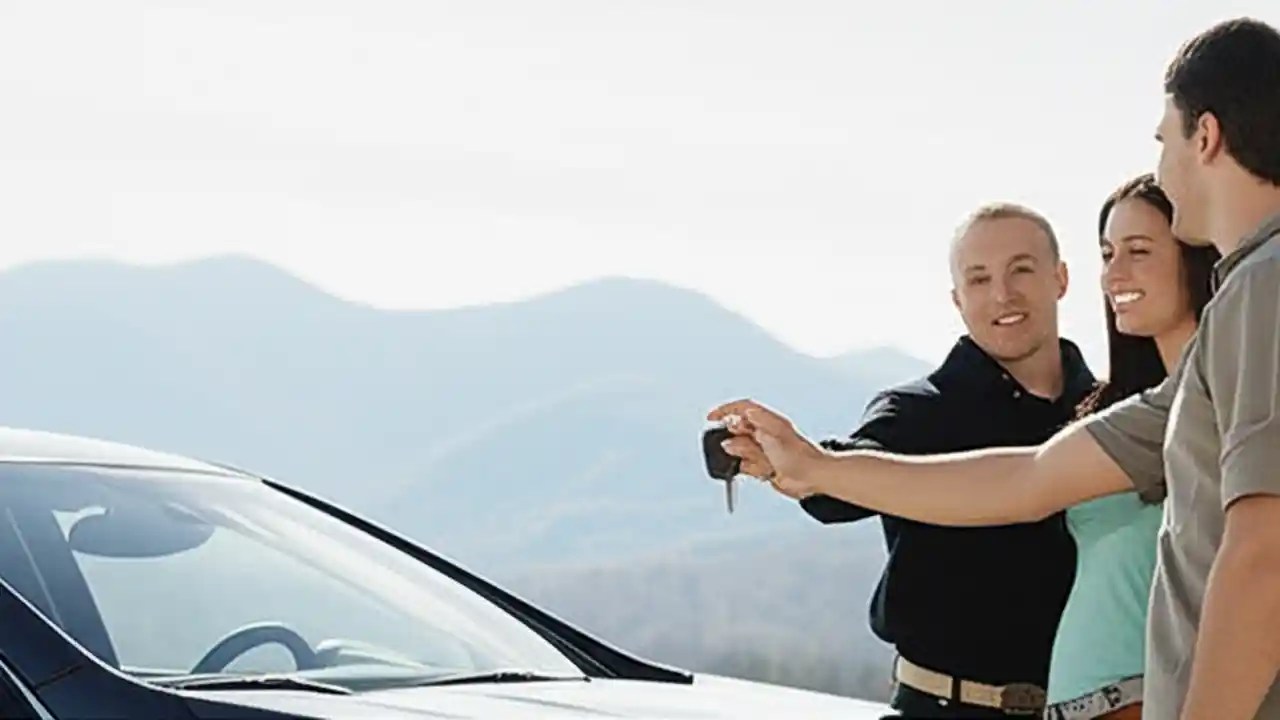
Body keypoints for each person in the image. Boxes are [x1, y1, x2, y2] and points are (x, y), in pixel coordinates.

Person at [709, 17, 1280, 720]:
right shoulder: (1225, 330)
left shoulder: (1265, 286)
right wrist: (814, 467)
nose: (1162, 168)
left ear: (1206, 136)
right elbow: (1033, 476)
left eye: (1163, 141)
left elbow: (1264, 551)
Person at [800, 201, 1096, 718]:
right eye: (979, 279)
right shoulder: (919, 410)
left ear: (1061, 278)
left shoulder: (1113, 412)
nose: (1002, 294)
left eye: (1021, 269)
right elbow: (834, 493)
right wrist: (800, 462)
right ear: (958, 299)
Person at [1044, 174, 1218, 720]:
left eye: (1138, 251)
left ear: (1195, 255)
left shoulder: (1226, 402)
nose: (1113, 273)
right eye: (1107, 253)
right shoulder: (1119, 410)